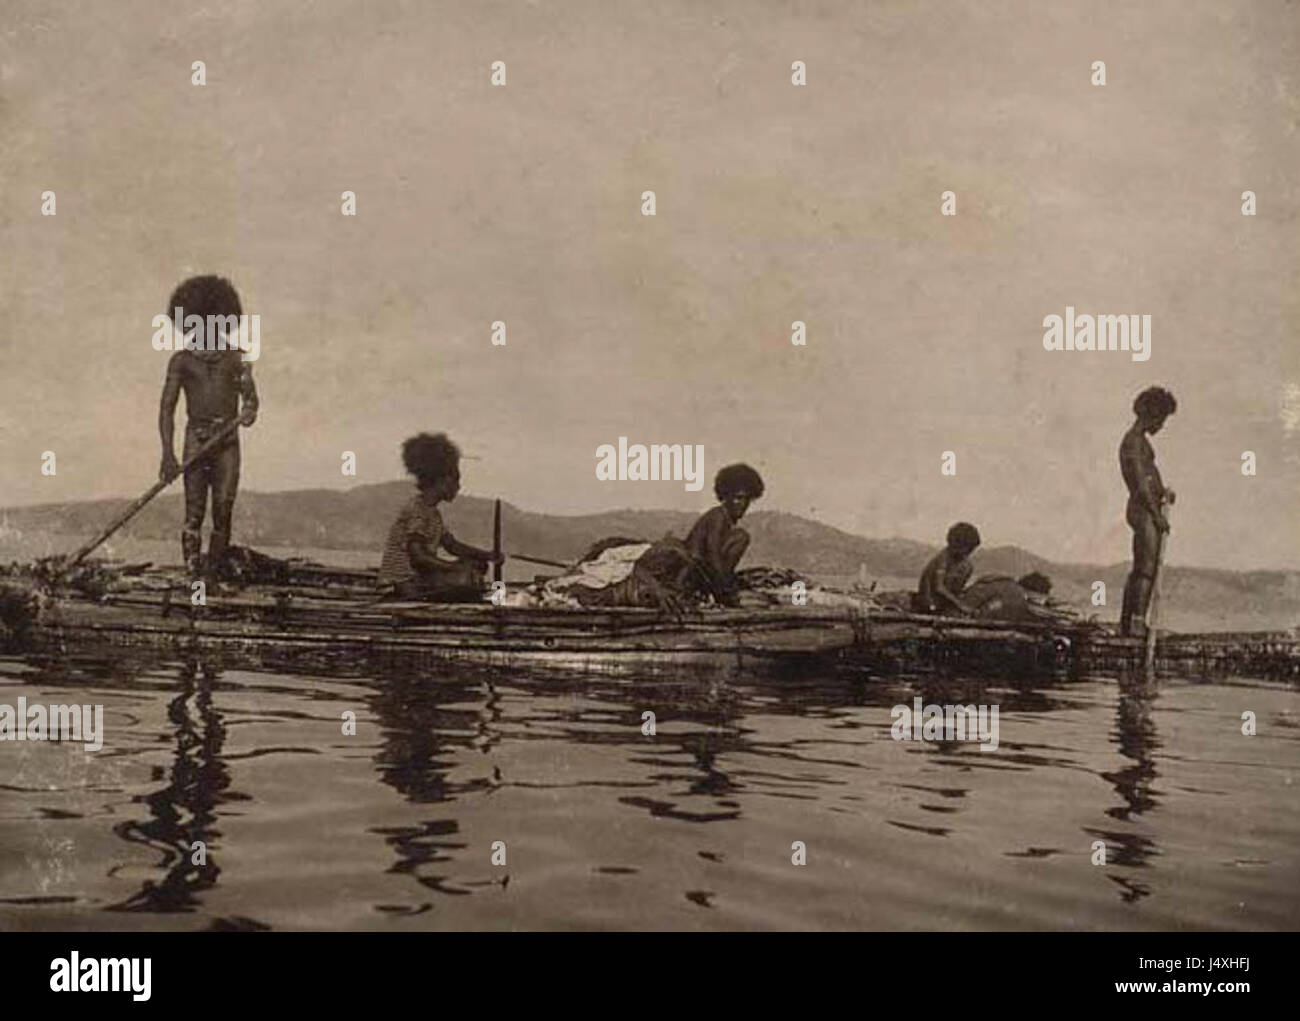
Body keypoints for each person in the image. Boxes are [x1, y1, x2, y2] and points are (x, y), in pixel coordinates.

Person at [157, 276, 258, 580]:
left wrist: (248, 412)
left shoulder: (237, 359)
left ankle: (213, 574)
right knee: (194, 512)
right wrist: (167, 454)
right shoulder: (181, 362)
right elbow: (166, 409)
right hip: (196, 440)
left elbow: (252, 402)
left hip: (227, 442)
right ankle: (193, 576)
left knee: (223, 509)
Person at [377, 432, 504, 601]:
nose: (458, 487)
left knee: (477, 565)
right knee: (465, 578)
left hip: (417, 578)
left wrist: (488, 555)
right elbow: (418, 556)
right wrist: (453, 567)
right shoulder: (417, 510)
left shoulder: (433, 513)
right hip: (402, 583)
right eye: (455, 481)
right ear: (441, 481)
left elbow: (452, 546)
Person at [1119, 387, 1176, 637]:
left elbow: (1150, 478)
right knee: (1146, 568)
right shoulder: (1133, 442)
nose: (1161, 425)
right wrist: (1156, 515)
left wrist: (1163, 491)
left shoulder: (1141, 442)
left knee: (1142, 566)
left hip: (1146, 507)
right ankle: (1136, 622)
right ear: (1151, 414)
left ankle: (1129, 623)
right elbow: (1141, 484)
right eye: (1161, 419)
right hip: (1143, 510)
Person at [680, 463, 765, 607]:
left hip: (703, 576)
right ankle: (717, 594)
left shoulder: (725, 519)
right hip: (691, 577)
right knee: (741, 536)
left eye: (747, 499)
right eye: (738, 498)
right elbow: (713, 555)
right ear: (725, 497)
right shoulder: (718, 517)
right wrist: (725, 591)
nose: (743, 504)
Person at [914, 522, 981, 615]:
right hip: (930, 603)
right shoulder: (943, 558)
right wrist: (961, 605)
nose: (969, 553)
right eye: (968, 549)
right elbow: (939, 587)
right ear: (957, 545)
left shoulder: (965, 565)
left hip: (945, 602)